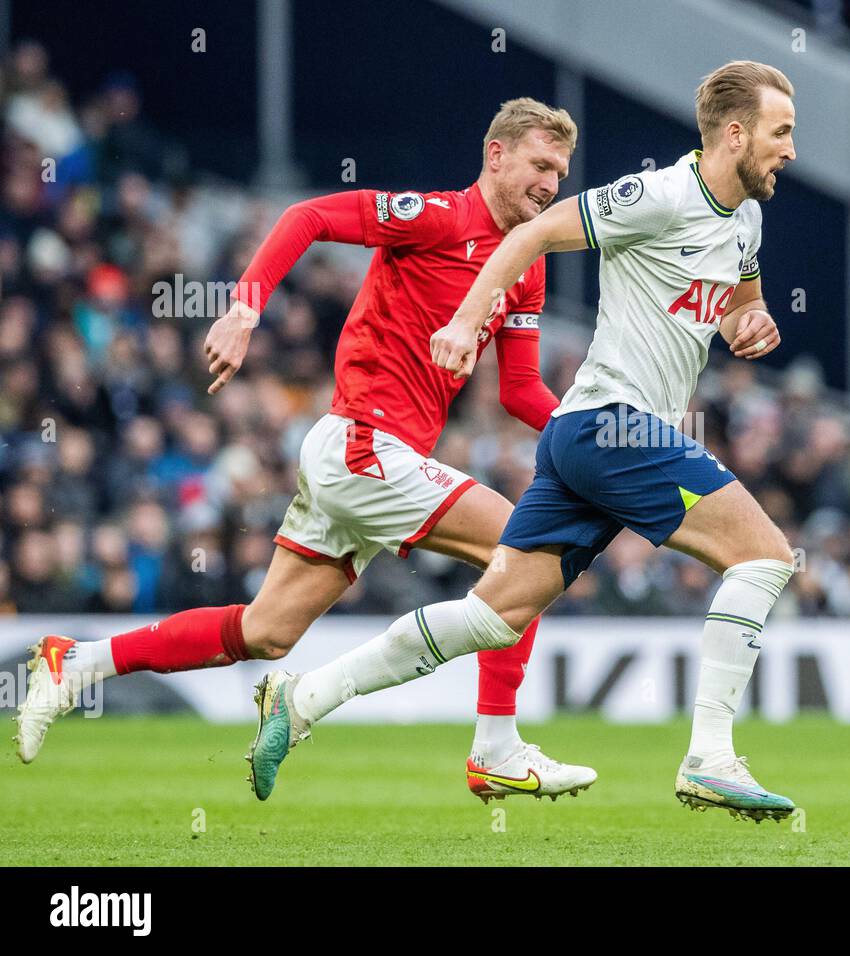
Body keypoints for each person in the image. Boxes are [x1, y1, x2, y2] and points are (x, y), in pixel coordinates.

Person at [250, 60, 800, 823]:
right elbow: (537, 232)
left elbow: (743, 304)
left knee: (493, 614)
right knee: (766, 555)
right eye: (781, 132)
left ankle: (303, 697)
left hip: (584, 436)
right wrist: (467, 318)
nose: (791, 150)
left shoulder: (745, 220)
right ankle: (710, 757)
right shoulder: (659, 195)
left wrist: (751, 322)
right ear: (735, 134)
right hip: (614, 421)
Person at [16, 98, 597, 804]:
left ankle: (75, 662)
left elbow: (521, 390)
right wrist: (244, 307)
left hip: (372, 464)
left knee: (266, 632)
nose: (550, 185)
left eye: (560, 173)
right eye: (540, 165)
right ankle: (495, 748)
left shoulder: (525, 268)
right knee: (528, 553)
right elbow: (309, 216)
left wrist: (594, 432)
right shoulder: (436, 218)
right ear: (496, 156)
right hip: (362, 445)